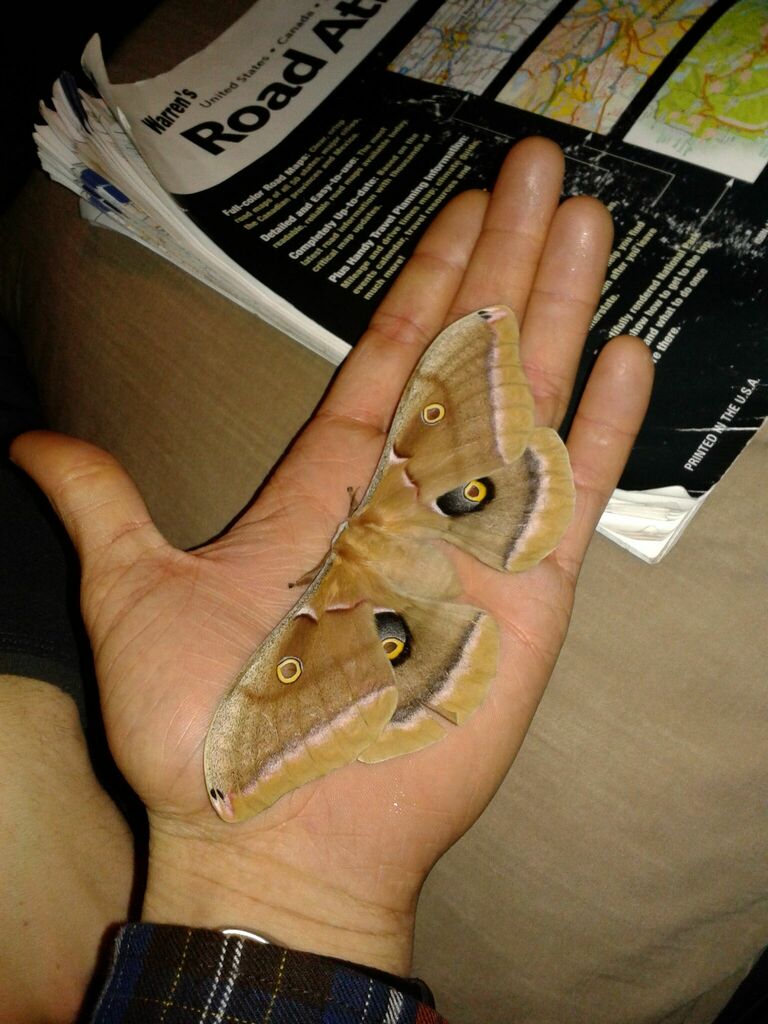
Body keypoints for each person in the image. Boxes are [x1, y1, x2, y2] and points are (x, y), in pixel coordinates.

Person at [1, 138, 655, 1021]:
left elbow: (461, 372)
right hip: (410, 549)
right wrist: (262, 870)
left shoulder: (377, 495)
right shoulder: (364, 526)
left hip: (395, 573)